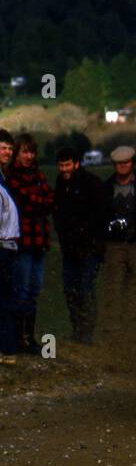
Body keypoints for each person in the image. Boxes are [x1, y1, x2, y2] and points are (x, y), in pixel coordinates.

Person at [5, 134, 54, 352]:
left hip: (39, 240)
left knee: (34, 290)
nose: (29, 156)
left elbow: (49, 200)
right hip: (23, 241)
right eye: (24, 151)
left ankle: (29, 337)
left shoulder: (38, 174)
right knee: (21, 290)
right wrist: (41, 202)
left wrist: (41, 202)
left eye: (32, 152)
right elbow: (29, 201)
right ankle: (16, 339)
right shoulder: (11, 176)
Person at [99, 146, 136, 337]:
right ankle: (112, 331)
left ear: (133, 163)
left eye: (126, 162)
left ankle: (135, 329)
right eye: (119, 163)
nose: (122, 166)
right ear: (114, 165)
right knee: (113, 288)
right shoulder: (106, 188)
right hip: (114, 244)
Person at [53, 148, 106, 344]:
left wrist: (93, 241)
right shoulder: (61, 183)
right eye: (61, 166)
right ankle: (77, 329)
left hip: (89, 247)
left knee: (85, 288)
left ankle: (87, 332)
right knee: (70, 290)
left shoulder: (91, 183)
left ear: (76, 164)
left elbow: (100, 215)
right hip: (69, 248)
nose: (64, 169)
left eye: (67, 165)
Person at [0, 176, 18, 365]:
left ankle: (6, 349)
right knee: (5, 300)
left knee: (3, 301)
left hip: (2, 248)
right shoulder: (4, 190)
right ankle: (8, 349)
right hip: (9, 247)